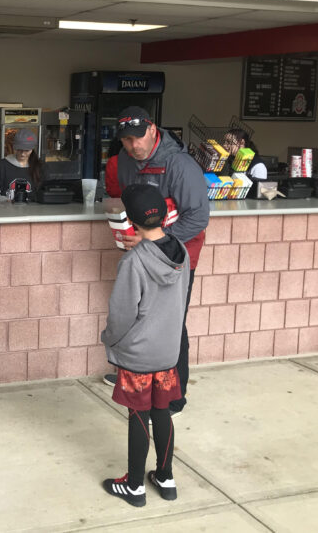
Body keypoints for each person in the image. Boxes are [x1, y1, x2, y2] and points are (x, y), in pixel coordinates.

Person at [103, 106, 209, 416]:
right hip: (142, 251)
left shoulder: (179, 165)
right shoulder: (124, 159)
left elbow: (199, 216)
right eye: (125, 141)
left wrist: (158, 240)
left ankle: (174, 397)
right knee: (139, 315)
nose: (132, 146)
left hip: (177, 256)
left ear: (153, 130)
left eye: (137, 138)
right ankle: (136, 376)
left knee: (171, 323)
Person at [101, 184, 189, 507]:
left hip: (138, 354)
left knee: (138, 413)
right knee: (161, 411)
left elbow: (122, 316)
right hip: (168, 351)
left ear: (131, 222)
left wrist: (109, 339)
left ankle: (135, 485)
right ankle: (165, 478)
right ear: (165, 215)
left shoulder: (134, 263)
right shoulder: (182, 251)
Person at [0, 127, 41, 200]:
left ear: (32, 149)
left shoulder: (39, 166)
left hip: (33, 210)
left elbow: (45, 191)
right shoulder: (3, 165)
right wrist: (2, 199)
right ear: (14, 147)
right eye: (19, 150)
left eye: (27, 150)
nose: (23, 154)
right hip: (6, 209)